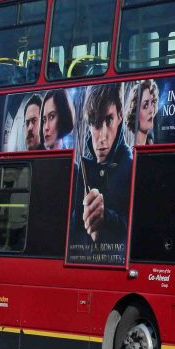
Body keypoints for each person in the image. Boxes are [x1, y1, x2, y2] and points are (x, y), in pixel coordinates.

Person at [68, 83, 131, 263]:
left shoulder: (132, 168)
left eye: (108, 120)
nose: (102, 136)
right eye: (95, 123)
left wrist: (106, 219)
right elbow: (69, 239)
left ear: (120, 116)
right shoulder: (82, 171)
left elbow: (141, 234)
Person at [125, 79, 158, 146]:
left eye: (152, 102)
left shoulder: (149, 145)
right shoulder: (132, 152)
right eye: (145, 106)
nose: (151, 110)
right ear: (135, 113)